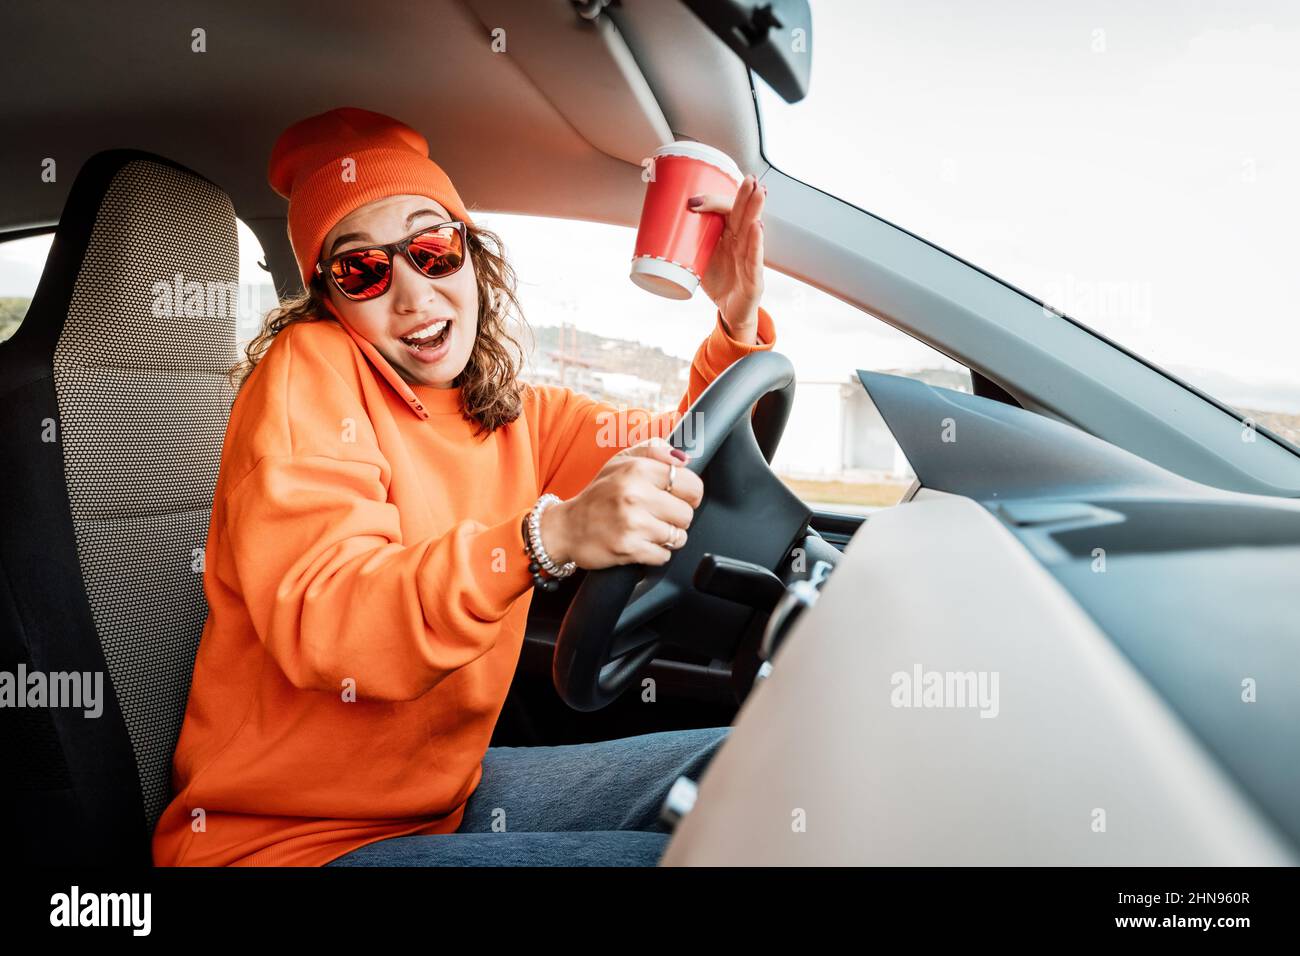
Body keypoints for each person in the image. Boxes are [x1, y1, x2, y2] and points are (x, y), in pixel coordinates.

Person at [151, 107, 776, 866]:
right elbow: (336, 623)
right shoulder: (308, 371)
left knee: (755, 772)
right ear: (329, 299)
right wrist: (547, 538)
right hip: (287, 846)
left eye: (430, 249)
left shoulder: (519, 414)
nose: (412, 297)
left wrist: (734, 318)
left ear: (470, 255)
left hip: (442, 807)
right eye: (364, 270)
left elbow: (686, 453)